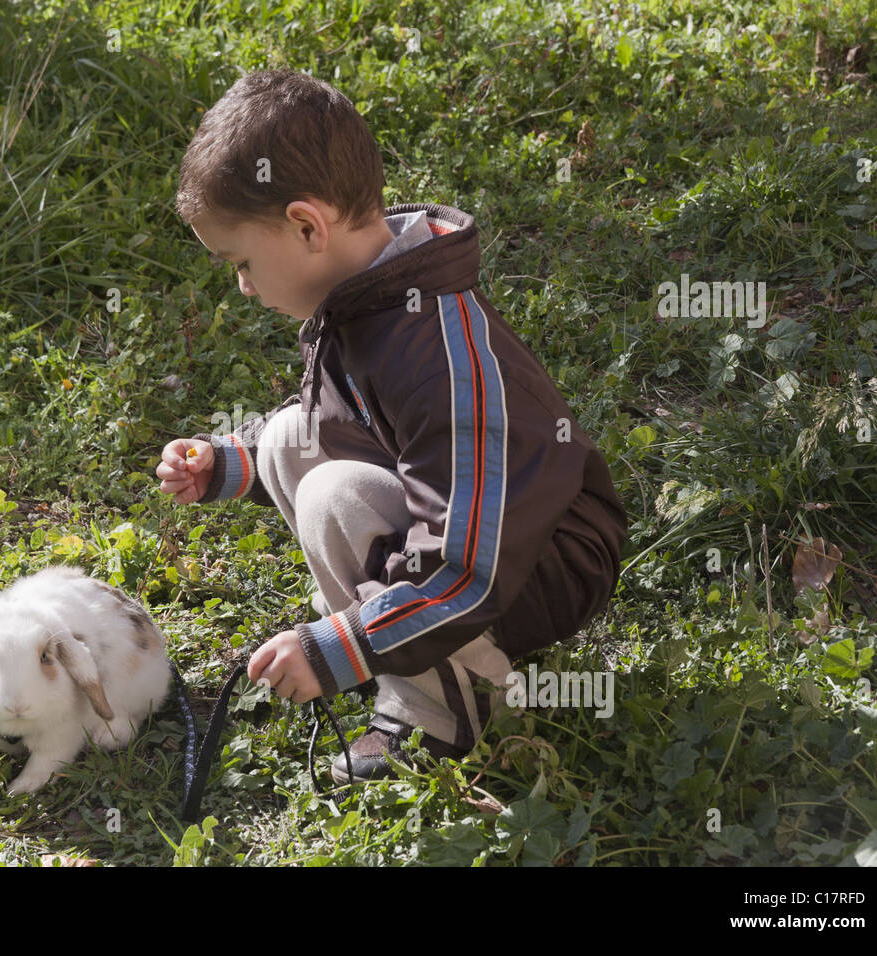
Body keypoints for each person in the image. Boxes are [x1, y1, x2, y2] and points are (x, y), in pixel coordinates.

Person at [156, 68, 628, 782]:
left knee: (331, 496)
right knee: (290, 440)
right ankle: (392, 626)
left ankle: (443, 705)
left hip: (535, 566)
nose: (244, 287)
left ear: (306, 226)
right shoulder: (373, 295)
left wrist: (338, 646)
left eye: (242, 263)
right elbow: (335, 421)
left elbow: (468, 566)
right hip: (475, 543)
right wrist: (235, 461)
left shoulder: (439, 356)